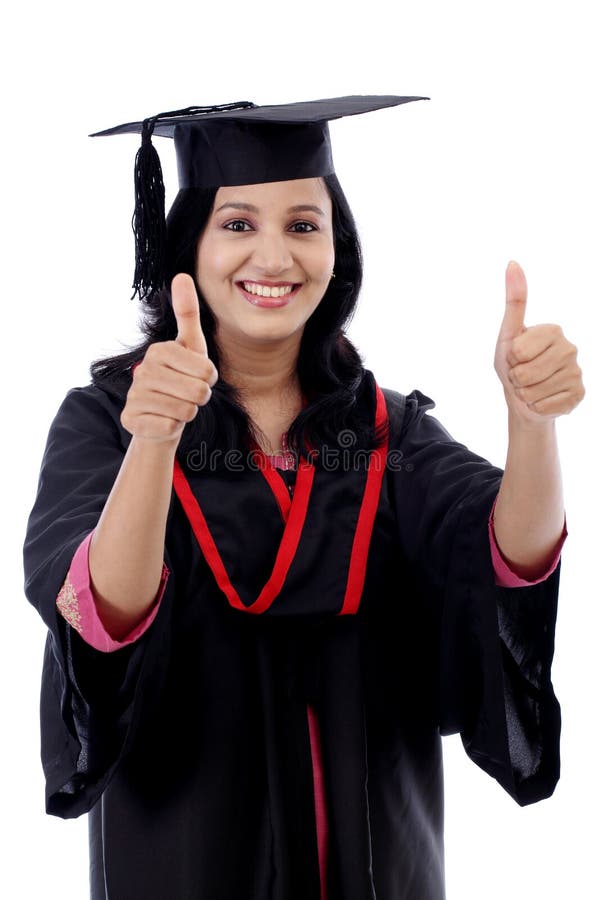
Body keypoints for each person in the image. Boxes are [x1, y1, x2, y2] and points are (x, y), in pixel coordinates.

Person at [23, 96, 584, 900]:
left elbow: (508, 557)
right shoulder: (106, 423)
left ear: (337, 248)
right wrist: (154, 443)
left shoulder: (387, 431)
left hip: (379, 857)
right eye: (239, 224)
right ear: (190, 246)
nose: (275, 256)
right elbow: (99, 617)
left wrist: (532, 426)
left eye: (304, 225)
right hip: (183, 855)